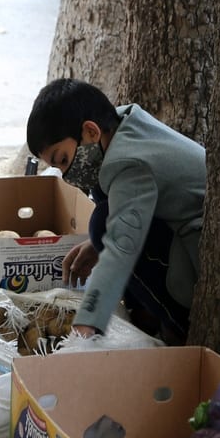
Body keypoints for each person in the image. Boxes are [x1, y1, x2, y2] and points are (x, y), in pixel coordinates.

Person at [25, 78, 206, 345]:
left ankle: (176, 324)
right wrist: (96, 246)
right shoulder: (125, 124)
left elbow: (122, 247)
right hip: (181, 230)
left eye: (63, 159)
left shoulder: (128, 163)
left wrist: (87, 323)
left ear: (90, 131)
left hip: (196, 256)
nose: (65, 174)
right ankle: (148, 315)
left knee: (103, 223)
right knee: (103, 215)